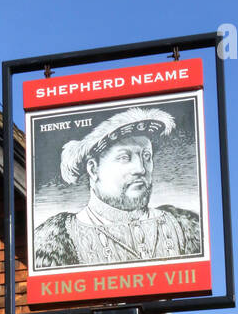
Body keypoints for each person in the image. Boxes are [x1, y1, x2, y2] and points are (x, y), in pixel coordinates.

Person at [33, 106, 201, 267]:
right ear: (93, 169)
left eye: (146, 156)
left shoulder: (184, 226)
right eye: (124, 157)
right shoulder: (53, 239)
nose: (141, 169)